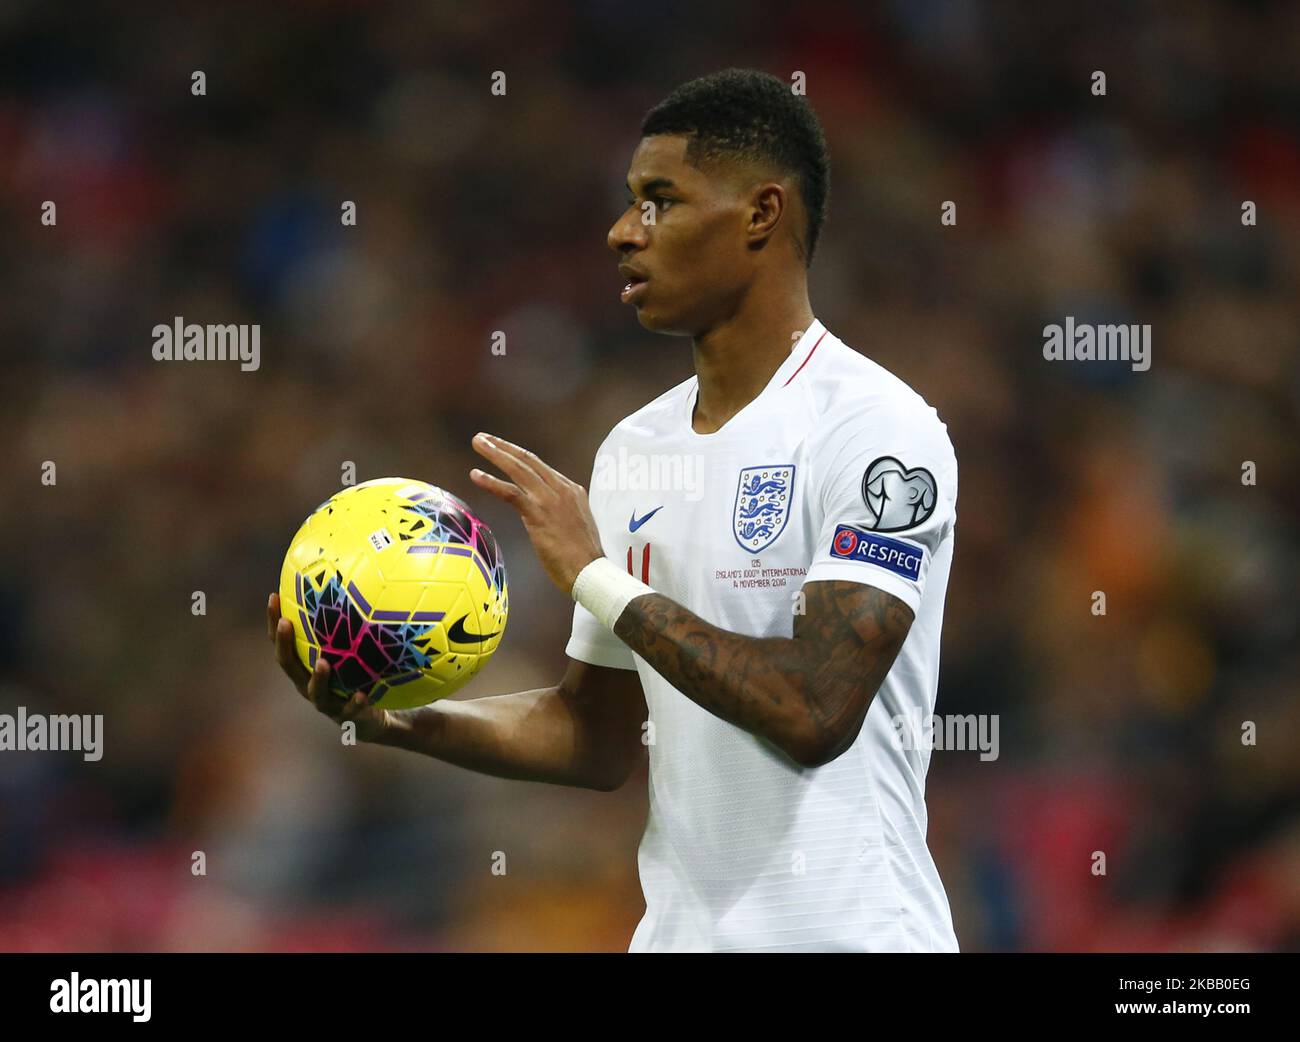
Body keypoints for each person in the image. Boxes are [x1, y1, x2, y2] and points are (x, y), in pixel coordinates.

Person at [269, 68, 960, 952]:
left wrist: (596, 577)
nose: (623, 232)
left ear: (760, 214)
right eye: (632, 202)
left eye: (660, 201)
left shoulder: (877, 429)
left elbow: (816, 708)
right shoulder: (635, 450)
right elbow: (592, 736)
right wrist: (396, 720)